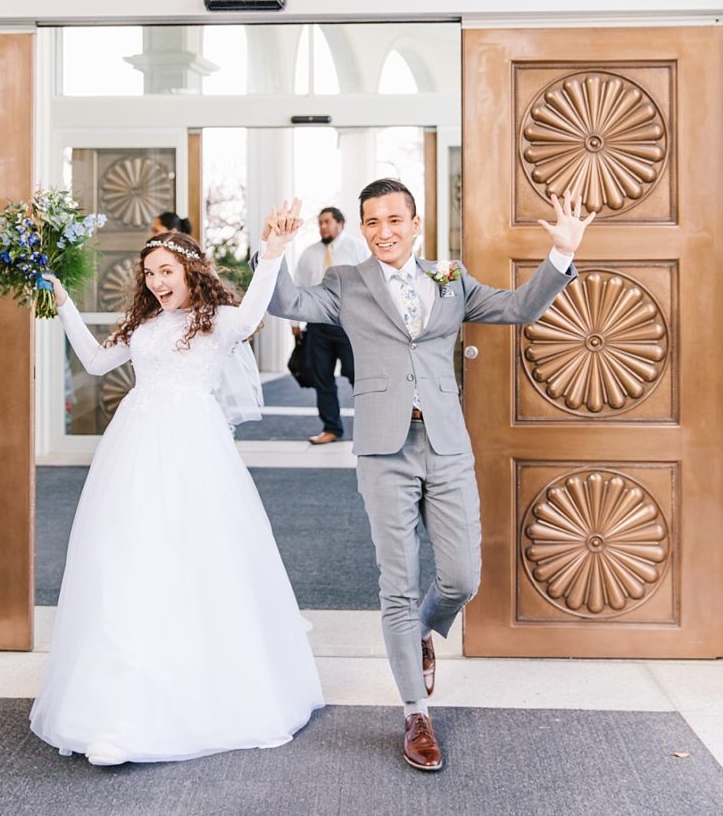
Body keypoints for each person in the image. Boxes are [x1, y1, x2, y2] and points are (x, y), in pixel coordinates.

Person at [261, 179, 591, 772]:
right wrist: (274, 253)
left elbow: (518, 308)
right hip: (384, 448)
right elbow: (289, 304)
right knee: (398, 581)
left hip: (446, 443)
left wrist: (561, 255)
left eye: (394, 219)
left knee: (463, 576)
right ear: (363, 229)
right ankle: (416, 713)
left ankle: (423, 631)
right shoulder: (346, 283)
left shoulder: (450, 278)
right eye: (372, 222)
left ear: (416, 223)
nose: (383, 231)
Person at [30, 204, 323, 766]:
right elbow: (93, 361)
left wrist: (274, 252)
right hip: (134, 445)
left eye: (165, 270)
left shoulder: (217, 321)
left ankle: (190, 690)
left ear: (190, 270)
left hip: (192, 446)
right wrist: (64, 302)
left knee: (194, 554)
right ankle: (116, 703)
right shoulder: (143, 326)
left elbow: (256, 309)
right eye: (149, 273)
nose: (156, 281)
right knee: (127, 557)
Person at [291, 206, 370, 445]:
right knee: (322, 378)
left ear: (340, 224)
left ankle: (371, 428)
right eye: (320, 222)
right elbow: (298, 287)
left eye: (327, 222)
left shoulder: (357, 249)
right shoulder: (309, 253)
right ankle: (332, 428)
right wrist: (295, 321)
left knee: (360, 377)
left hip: (350, 324)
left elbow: (371, 284)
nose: (323, 226)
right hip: (317, 325)